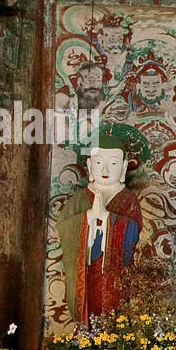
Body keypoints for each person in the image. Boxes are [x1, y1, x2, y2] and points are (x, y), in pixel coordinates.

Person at [56, 129, 144, 323]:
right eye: (98, 163)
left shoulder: (128, 199)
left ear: (123, 168)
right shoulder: (79, 199)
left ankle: (112, 337)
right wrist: (87, 218)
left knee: (113, 310)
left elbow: (134, 232)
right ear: (89, 165)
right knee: (85, 309)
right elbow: (63, 228)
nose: (105, 170)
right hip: (84, 270)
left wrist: (107, 218)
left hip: (113, 273)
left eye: (113, 164)